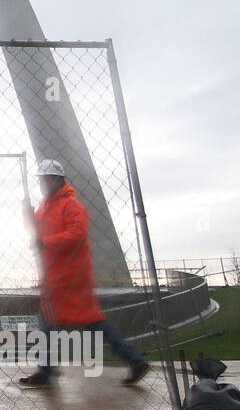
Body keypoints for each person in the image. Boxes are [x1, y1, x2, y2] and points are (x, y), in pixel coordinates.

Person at [19, 159, 151, 387]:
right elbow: (36, 235)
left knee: (62, 321)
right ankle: (134, 360)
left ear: (57, 180)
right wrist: (27, 218)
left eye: (45, 180)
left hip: (70, 277)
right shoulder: (45, 207)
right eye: (40, 181)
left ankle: (46, 370)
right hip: (57, 277)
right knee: (86, 321)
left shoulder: (71, 205)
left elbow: (76, 234)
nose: (42, 184)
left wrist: (45, 242)